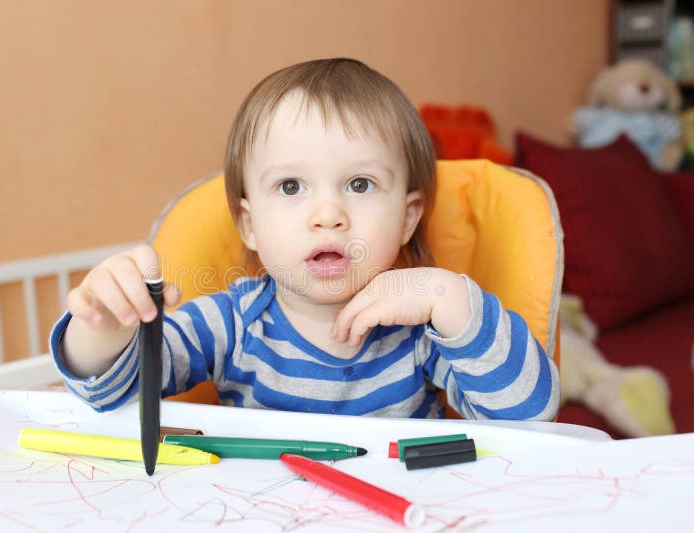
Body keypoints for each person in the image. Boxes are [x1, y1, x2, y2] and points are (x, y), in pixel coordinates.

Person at [51, 58, 560, 420]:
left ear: (407, 220)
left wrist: (453, 301)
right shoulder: (232, 323)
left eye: (360, 185)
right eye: (291, 186)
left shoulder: (418, 332)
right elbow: (112, 394)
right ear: (249, 225)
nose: (328, 215)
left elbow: (530, 417)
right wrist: (103, 324)